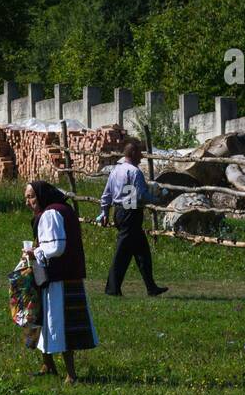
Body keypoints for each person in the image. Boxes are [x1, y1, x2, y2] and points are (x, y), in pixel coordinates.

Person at [24, 180, 97, 382]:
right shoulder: (64, 209)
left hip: (58, 278)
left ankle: (71, 375)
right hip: (65, 275)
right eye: (26, 198)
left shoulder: (50, 213)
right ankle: (47, 364)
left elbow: (56, 248)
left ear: (41, 195)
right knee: (42, 319)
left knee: (61, 324)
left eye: (31, 197)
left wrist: (34, 252)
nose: (28, 202)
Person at [98, 141, 169, 298]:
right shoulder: (135, 172)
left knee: (142, 251)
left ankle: (151, 287)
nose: (142, 157)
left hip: (120, 212)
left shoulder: (116, 171)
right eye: (140, 153)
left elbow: (107, 194)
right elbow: (141, 195)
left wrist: (104, 212)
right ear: (134, 153)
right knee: (122, 253)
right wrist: (158, 200)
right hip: (130, 213)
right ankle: (112, 289)